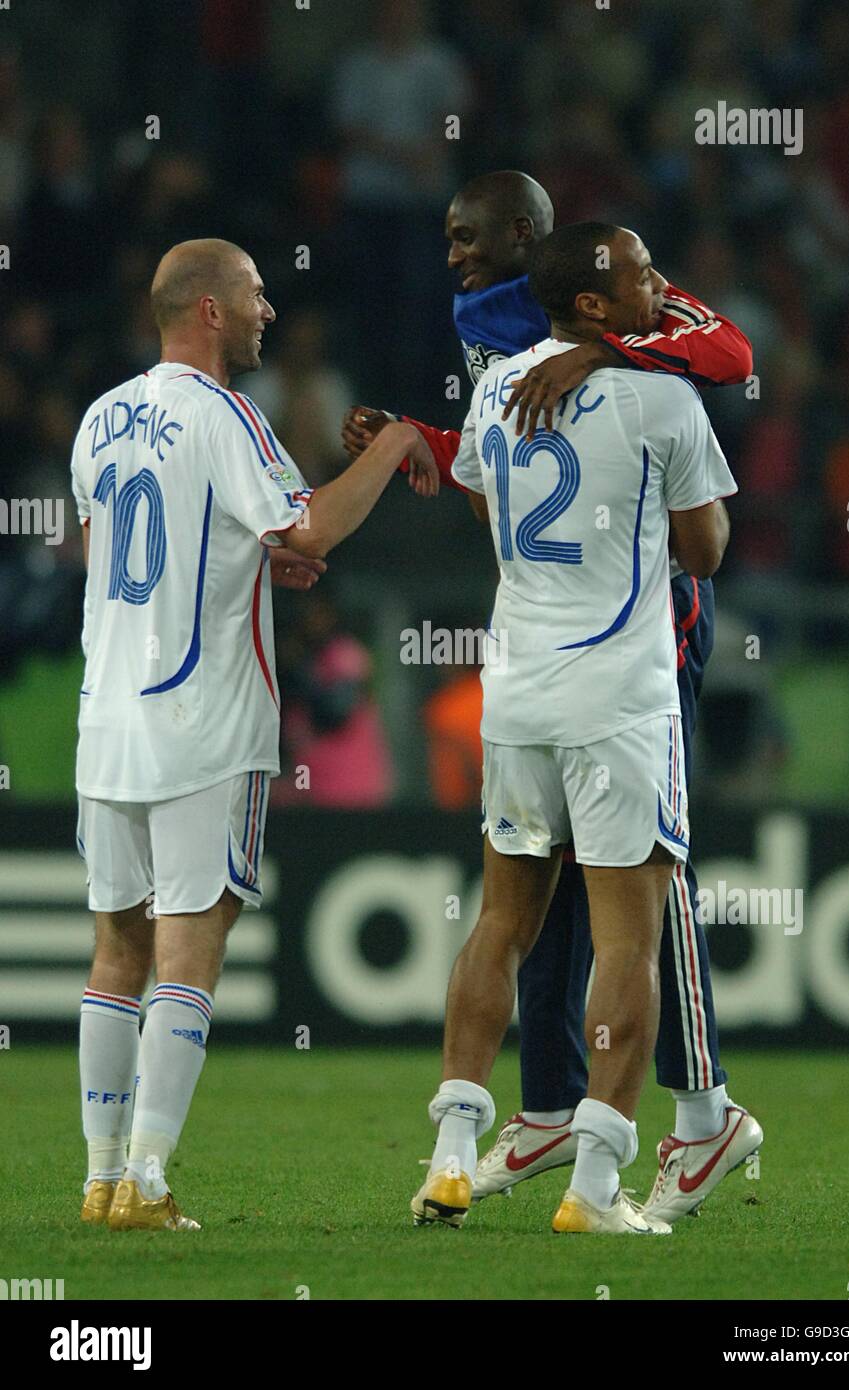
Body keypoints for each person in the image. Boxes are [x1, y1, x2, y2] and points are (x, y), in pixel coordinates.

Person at [343, 171, 761, 1224]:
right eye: (641, 278)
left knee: (502, 916)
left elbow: (494, 481)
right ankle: (597, 1172)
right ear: (586, 293)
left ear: (532, 252)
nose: (454, 258)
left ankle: (460, 1138)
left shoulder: (503, 374)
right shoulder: (659, 392)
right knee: (632, 924)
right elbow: (703, 545)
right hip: (622, 680)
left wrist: (585, 359)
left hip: (518, 684)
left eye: (468, 238)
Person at [71, 237, 436, 1232]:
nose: (270, 309)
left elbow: (117, 563)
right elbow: (311, 527)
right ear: (212, 313)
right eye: (257, 295)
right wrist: (394, 447)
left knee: (117, 948)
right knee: (189, 950)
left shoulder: (99, 420)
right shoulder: (229, 414)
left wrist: (243, 560)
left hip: (107, 718)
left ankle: (102, 1176)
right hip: (204, 721)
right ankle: (146, 1182)